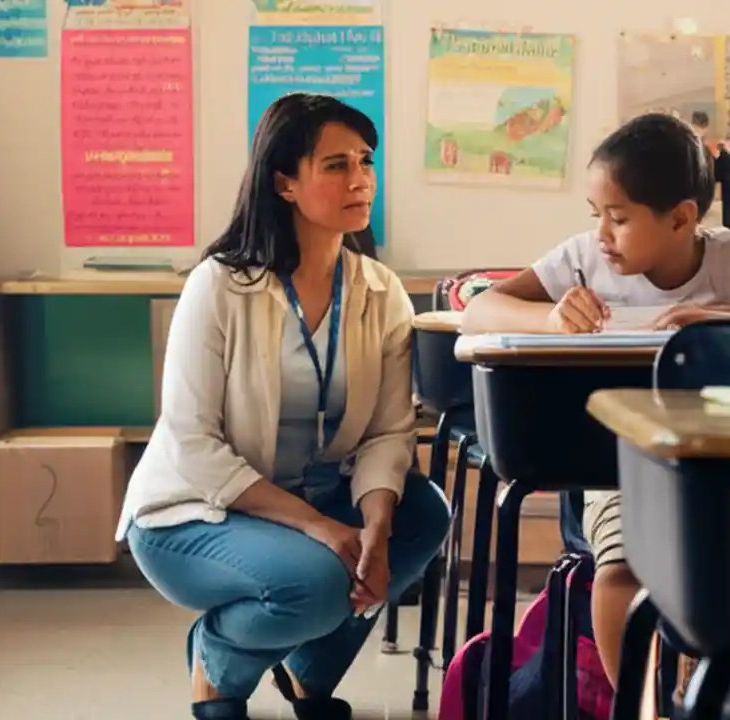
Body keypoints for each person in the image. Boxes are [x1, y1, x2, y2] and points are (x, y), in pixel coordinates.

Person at [460, 112, 730, 693]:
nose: (602, 236)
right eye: (598, 218)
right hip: (617, 465)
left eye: (618, 220)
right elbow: (481, 308)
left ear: (682, 218)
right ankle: (637, 706)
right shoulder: (582, 262)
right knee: (620, 574)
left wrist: (718, 320)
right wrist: (549, 315)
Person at [117, 93, 451, 720]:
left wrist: (375, 525)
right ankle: (217, 664)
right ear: (285, 183)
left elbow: (387, 433)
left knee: (423, 516)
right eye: (334, 165)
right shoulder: (220, 285)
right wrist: (317, 524)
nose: (359, 180)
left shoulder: (381, 292)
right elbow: (193, 444)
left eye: (365, 161)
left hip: (316, 498)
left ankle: (306, 675)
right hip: (200, 512)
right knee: (317, 582)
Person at [690, 110, 730, 230]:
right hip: (690, 170)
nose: (698, 130)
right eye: (696, 127)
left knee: (728, 161)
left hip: (706, 168)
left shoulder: (707, 141)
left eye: (700, 127)